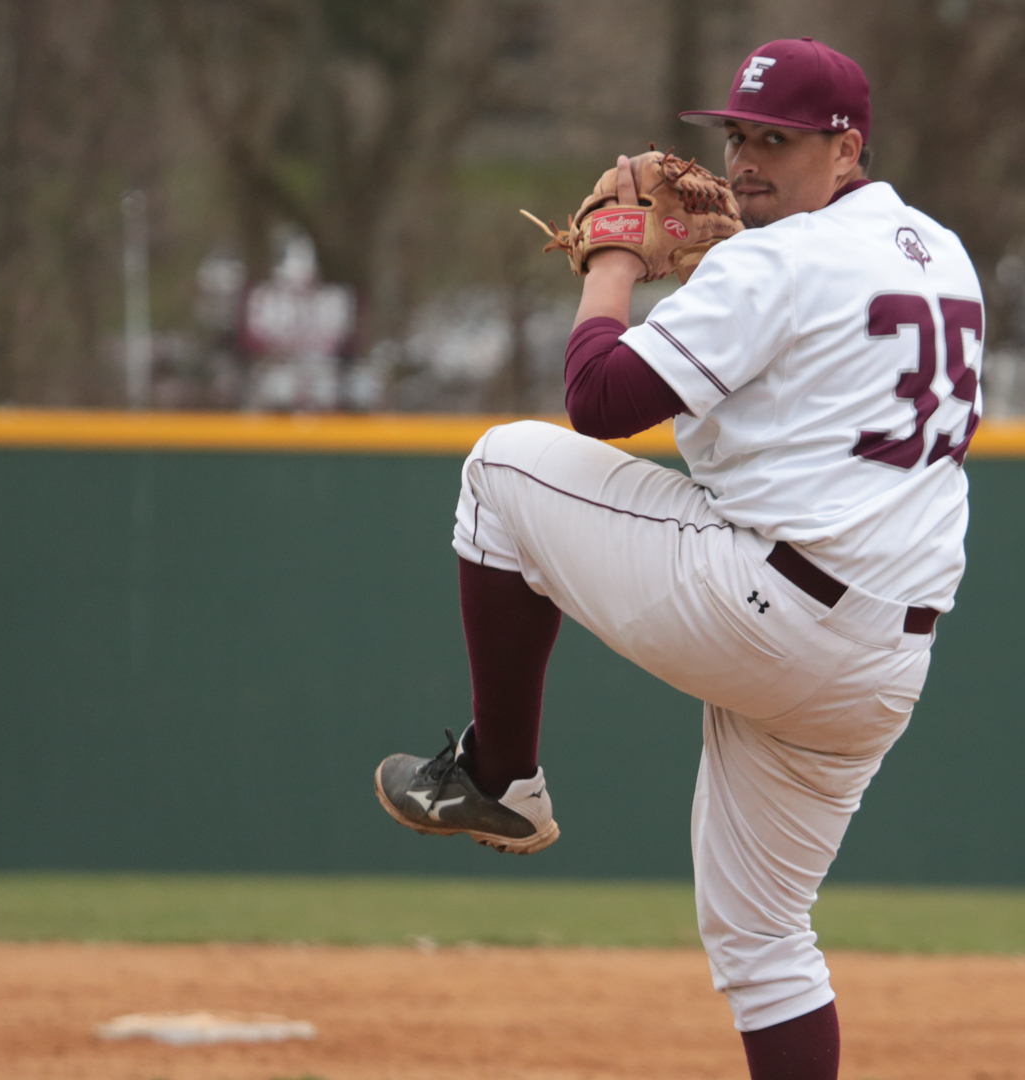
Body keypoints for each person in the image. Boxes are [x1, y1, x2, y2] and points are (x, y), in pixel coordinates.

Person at [374, 38, 985, 1080]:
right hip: (883, 664)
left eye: (777, 140)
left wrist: (613, 257)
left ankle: (502, 776)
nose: (745, 160)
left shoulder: (776, 258)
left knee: (501, 470)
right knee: (764, 941)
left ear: (845, 149)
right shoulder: (940, 251)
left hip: (768, 605)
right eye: (738, 134)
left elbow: (600, 400)